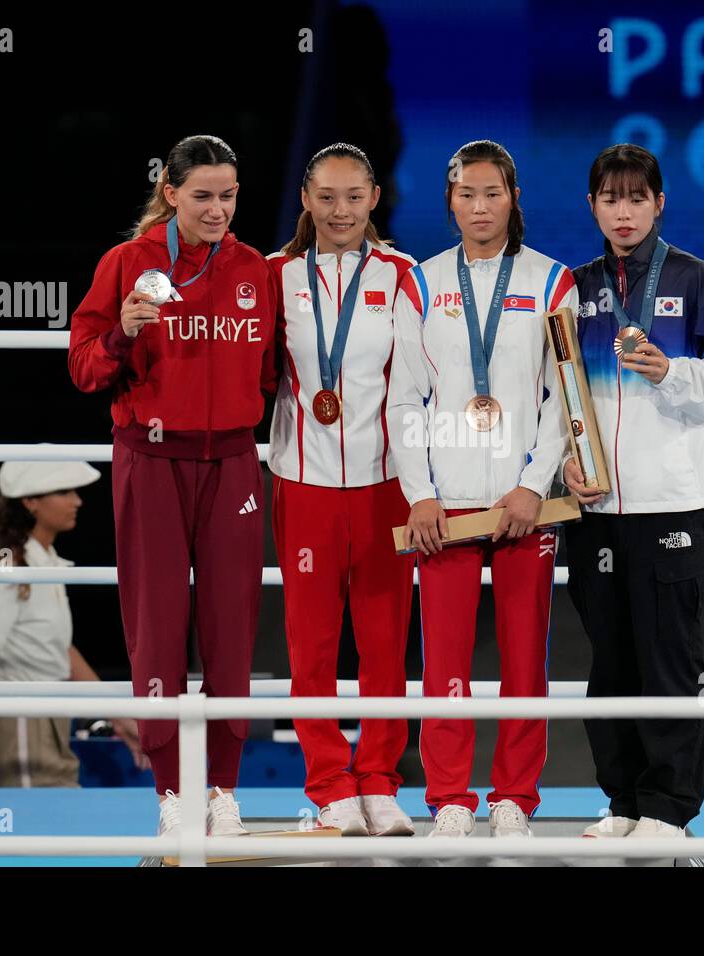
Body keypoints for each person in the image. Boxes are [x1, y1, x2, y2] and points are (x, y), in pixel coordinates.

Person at [68, 134, 277, 838]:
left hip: (235, 467)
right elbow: (85, 369)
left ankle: (221, 789)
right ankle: (169, 796)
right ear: (169, 192)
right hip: (150, 462)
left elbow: (272, 375)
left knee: (230, 630)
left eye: (228, 196)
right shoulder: (126, 266)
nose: (217, 209)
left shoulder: (256, 270)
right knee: (156, 630)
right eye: (203, 196)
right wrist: (122, 333)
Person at [562, 143, 704, 840]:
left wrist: (671, 373)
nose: (624, 211)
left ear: (659, 204)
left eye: (636, 198)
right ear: (592, 206)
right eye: (610, 199)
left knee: (668, 660)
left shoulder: (696, 278)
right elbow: (557, 390)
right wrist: (564, 466)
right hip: (594, 506)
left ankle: (668, 811)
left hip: (671, 503)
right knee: (609, 663)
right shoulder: (576, 288)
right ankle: (623, 802)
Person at [387, 139, 578, 839]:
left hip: (524, 502)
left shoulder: (556, 282)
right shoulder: (421, 283)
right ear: (450, 201)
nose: (479, 206)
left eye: (492, 193)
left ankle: (514, 799)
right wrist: (420, 493)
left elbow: (565, 398)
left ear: (514, 199)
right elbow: (404, 399)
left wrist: (534, 486)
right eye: (466, 194)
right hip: (447, 498)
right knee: (444, 659)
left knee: (527, 655)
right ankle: (449, 799)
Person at [267, 143, 418, 836]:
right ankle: (329, 782)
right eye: (326, 197)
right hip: (305, 484)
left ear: (374, 199)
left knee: (386, 641)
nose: (339, 211)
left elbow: (423, 383)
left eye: (353, 196)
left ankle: (381, 782)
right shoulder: (273, 275)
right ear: (306, 199)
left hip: (387, 484)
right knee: (312, 644)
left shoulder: (404, 275)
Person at [0, 460, 147, 788]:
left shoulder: (44, 562)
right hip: (19, 727)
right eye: (64, 491)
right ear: (30, 501)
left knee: (54, 832)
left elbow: (59, 651)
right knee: (47, 831)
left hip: (47, 723)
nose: (77, 501)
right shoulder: (8, 566)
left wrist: (120, 717)